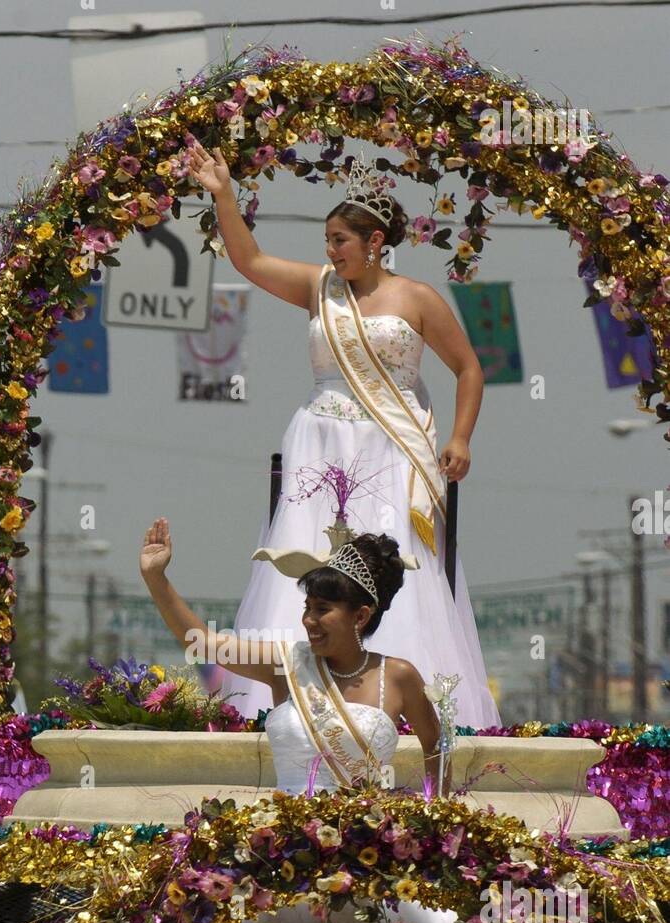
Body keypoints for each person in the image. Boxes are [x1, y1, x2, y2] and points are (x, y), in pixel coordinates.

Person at [93, 517, 618, 923]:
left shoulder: (396, 677)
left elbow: (437, 746)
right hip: (279, 874)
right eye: (306, 607)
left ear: (360, 613)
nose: (309, 620)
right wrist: (156, 576)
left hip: (377, 875)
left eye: (322, 608)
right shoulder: (288, 666)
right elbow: (202, 641)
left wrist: (431, 819)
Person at [187, 138, 500, 729]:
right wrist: (224, 194)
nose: (331, 251)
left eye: (340, 241)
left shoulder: (418, 297)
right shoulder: (318, 286)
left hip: (393, 443)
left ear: (375, 242)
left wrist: (460, 438)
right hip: (320, 437)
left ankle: (409, 700)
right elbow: (248, 261)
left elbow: (469, 369)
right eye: (327, 241)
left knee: (391, 555)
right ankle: (283, 701)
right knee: (305, 552)